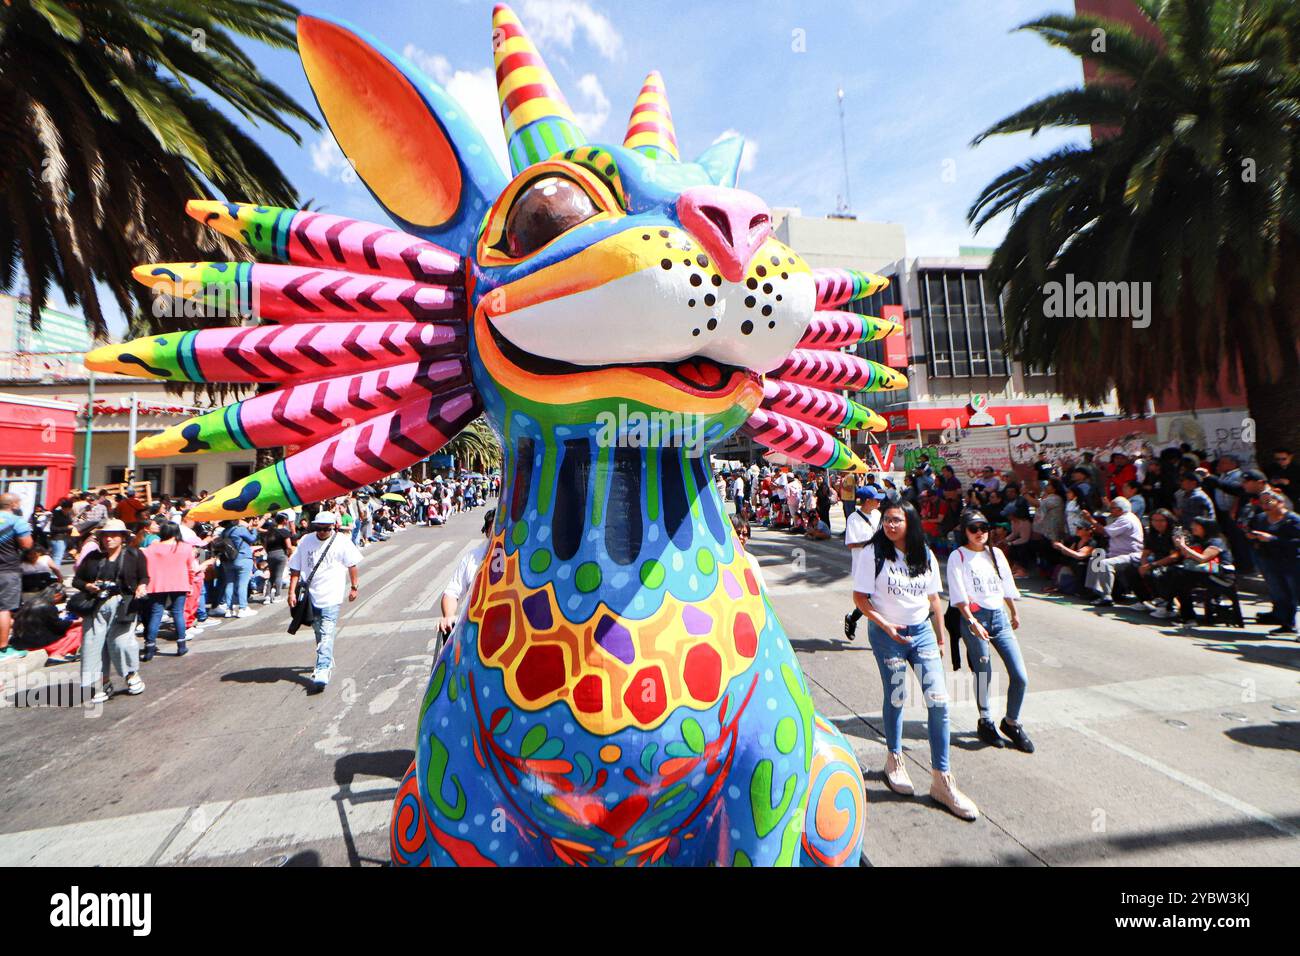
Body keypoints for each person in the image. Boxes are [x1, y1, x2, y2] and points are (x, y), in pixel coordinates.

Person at [852, 499, 978, 821]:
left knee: (939, 702)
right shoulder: (873, 553)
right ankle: (894, 759)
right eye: (887, 520)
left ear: (910, 521)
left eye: (897, 520)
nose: (890, 526)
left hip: (921, 632)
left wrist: (938, 636)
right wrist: (885, 624)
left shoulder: (924, 553)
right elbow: (860, 598)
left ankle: (942, 780)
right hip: (886, 635)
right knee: (897, 696)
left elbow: (934, 598)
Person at [947, 510, 1034, 752]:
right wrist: (971, 621)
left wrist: (1013, 611)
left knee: (1019, 675)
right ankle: (985, 720)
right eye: (973, 528)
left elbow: (1006, 585)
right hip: (975, 619)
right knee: (983, 671)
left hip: (1000, 618)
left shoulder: (995, 554)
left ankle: (1011, 722)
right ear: (964, 531)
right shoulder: (958, 556)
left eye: (983, 528)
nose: (979, 533)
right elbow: (958, 594)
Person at [74, 519, 149, 702]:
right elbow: (77, 581)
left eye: (114, 535)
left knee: (121, 641)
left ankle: (131, 675)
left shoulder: (134, 554)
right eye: (105, 535)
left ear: (123, 537)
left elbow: (144, 576)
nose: (109, 539)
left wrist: (141, 587)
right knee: (93, 644)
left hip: (123, 604)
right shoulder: (93, 558)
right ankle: (102, 683)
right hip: (96, 605)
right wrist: (88, 586)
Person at [287, 511, 362, 690]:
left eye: (326, 529)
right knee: (318, 630)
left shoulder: (342, 541)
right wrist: (291, 592)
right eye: (319, 529)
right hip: (311, 596)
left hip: (332, 595)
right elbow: (295, 569)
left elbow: (352, 565)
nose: (322, 532)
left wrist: (354, 587)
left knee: (327, 631)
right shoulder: (306, 541)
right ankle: (326, 656)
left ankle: (322, 668)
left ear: (333, 527)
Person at [1151, 517, 1235, 623]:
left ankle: (1167, 602)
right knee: (1173, 574)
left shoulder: (1216, 541)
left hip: (1220, 575)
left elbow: (1203, 558)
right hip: (1203, 573)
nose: (1192, 527)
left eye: (1196, 525)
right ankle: (1183, 613)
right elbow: (1190, 557)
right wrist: (1179, 546)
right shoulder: (1198, 540)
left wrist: (1183, 546)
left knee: (1178, 577)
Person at [1245, 490, 1300, 635]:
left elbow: (1296, 541)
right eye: (1262, 503)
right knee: (1279, 593)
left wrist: (1273, 539)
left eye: (1268, 502)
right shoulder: (1261, 518)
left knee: (1294, 594)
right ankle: (1286, 623)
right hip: (1269, 560)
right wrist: (1253, 537)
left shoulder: (1293, 520)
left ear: (1280, 502)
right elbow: (1251, 529)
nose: (1265, 506)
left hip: (1291, 562)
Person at [436, 509, 494, 639]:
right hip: (475, 631)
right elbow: (452, 592)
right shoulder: (472, 557)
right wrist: (448, 616)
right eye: (493, 529)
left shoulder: (521, 556)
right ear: (487, 531)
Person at [140, 523, 194, 660]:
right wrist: (191, 583)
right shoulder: (185, 547)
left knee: (156, 614)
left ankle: (150, 647)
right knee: (178, 613)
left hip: (157, 585)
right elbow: (190, 568)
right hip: (180, 583)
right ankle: (181, 645)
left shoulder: (152, 547)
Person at [1082, 496, 1145, 606]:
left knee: (1105, 563)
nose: (1110, 510)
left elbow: (1105, 532)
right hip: (1116, 553)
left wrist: (1090, 519)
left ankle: (1107, 597)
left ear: (1120, 509)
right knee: (1095, 557)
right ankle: (1095, 591)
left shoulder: (1126, 519)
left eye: (1112, 508)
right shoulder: (1121, 518)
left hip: (1130, 555)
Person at [843, 485, 884, 640]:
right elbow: (851, 543)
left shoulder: (878, 515)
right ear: (867, 501)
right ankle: (853, 618)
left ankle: (856, 619)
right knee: (867, 599)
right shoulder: (853, 518)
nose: (879, 502)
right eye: (876, 500)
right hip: (862, 565)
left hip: (880, 563)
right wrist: (871, 542)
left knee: (877, 598)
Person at [0, 493, 35, 661]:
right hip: (7, 570)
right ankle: (3, 648)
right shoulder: (16, 521)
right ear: (13, 504)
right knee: (4, 609)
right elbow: (27, 545)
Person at [218, 517, 259, 618]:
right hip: (243, 557)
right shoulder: (239, 529)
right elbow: (252, 539)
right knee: (242, 584)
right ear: (233, 520)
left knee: (229, 583)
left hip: (228, 561)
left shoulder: (223, 532)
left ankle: (229, 609)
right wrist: (254, 528)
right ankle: (242, 608)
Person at [261, 513, 296, 604]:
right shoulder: (284, 532)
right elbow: (289, 546)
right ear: (284, 520)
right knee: (279, 575)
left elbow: (265, 544)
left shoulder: (270, 532)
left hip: (270, 554)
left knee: (271, 575)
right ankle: (277, 595)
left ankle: (267, 596)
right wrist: (289, 554)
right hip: (281, 553)